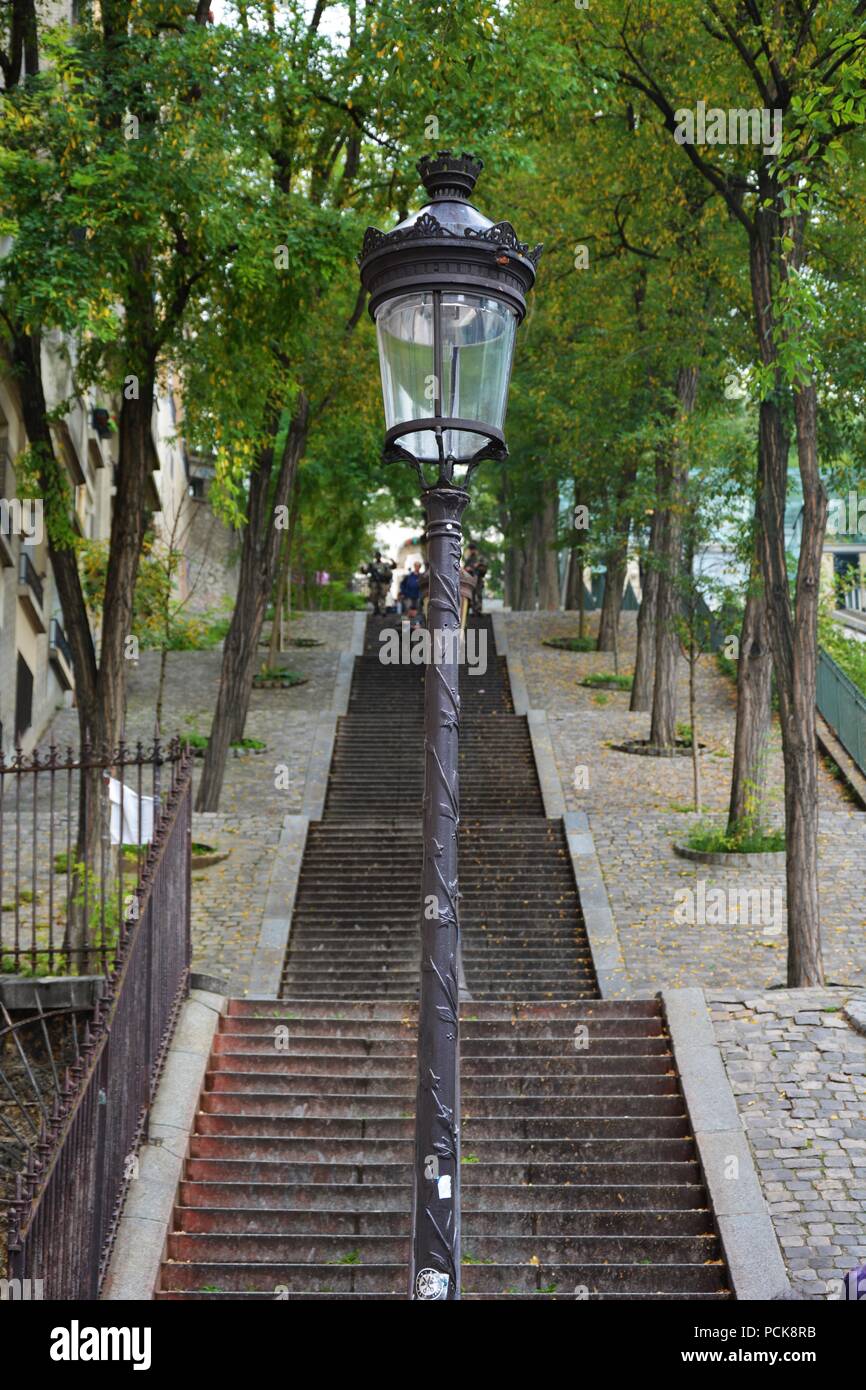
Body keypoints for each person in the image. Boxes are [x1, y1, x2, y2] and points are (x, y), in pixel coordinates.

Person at [360, 550, 397, 615]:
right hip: (374, 583)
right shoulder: (372, 565)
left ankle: (383, 610)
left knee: (382, 596)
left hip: (382, 582)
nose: (377, 557)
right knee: (374, 596)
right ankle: (376, 609)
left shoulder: (385, 565)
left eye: (378, 556)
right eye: (376, 556)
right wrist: (362, 568)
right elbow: (365, 572)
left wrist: (393, 562)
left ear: (380, 557)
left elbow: (393, 567)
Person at [463, 542, 488, 616]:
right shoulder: (469, 559)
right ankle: (473, 610)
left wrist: (477, 566)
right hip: (470, 580)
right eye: (470, 550)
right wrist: (468, 569)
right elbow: (465, 569)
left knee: (478, 594)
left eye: (472, 550)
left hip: (478, 579)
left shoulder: (480, 558)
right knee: (472, 595)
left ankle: (478, 610)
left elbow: (484, 569)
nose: (471, 551)